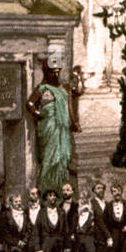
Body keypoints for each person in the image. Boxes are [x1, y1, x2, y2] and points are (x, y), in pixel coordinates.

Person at [27, 60, 73, 194]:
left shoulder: (63, 89)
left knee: (61, 157)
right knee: (49, 157)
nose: (56, 74)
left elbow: (69, 106)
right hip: (47, 127)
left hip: (61, 128)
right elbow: (29, 103)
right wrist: (38, 113)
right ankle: (46, 189)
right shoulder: (42, 88)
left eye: (57, 72)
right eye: (53, 72)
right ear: (47, 73)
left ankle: (60, 188)